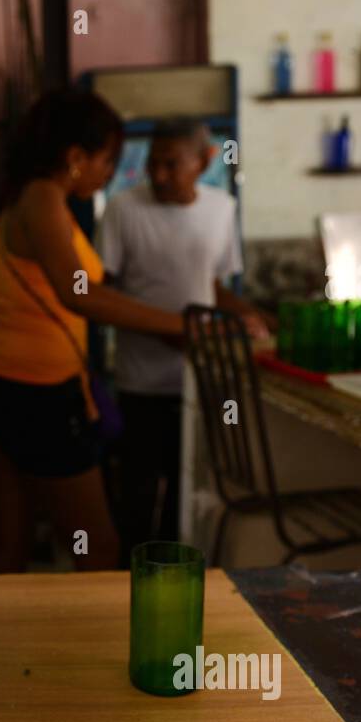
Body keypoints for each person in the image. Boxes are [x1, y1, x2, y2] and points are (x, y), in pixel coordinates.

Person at [0, 89, 184, 574]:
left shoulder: (19, 199)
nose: (109, 173)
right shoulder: (44, 199)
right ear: (75, 157)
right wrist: (179, 325)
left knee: (9, 548)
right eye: (107, 160)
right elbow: (77, 293)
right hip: (37, 395)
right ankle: (97, 649)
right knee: (98, 551)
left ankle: (4, 649)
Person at [96, 118, 267, 557]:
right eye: (154, 163)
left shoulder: (221, 208)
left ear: (205, 160)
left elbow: (211, 285)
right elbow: (101, 295)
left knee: (187, 493)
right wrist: (170, 331)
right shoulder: (122, 209)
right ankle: (125, 585)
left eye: (172, 164)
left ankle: (171, 578)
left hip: (202, 380)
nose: (159, 174)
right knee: (136, 496)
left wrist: (249, 316)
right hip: (141, 383)